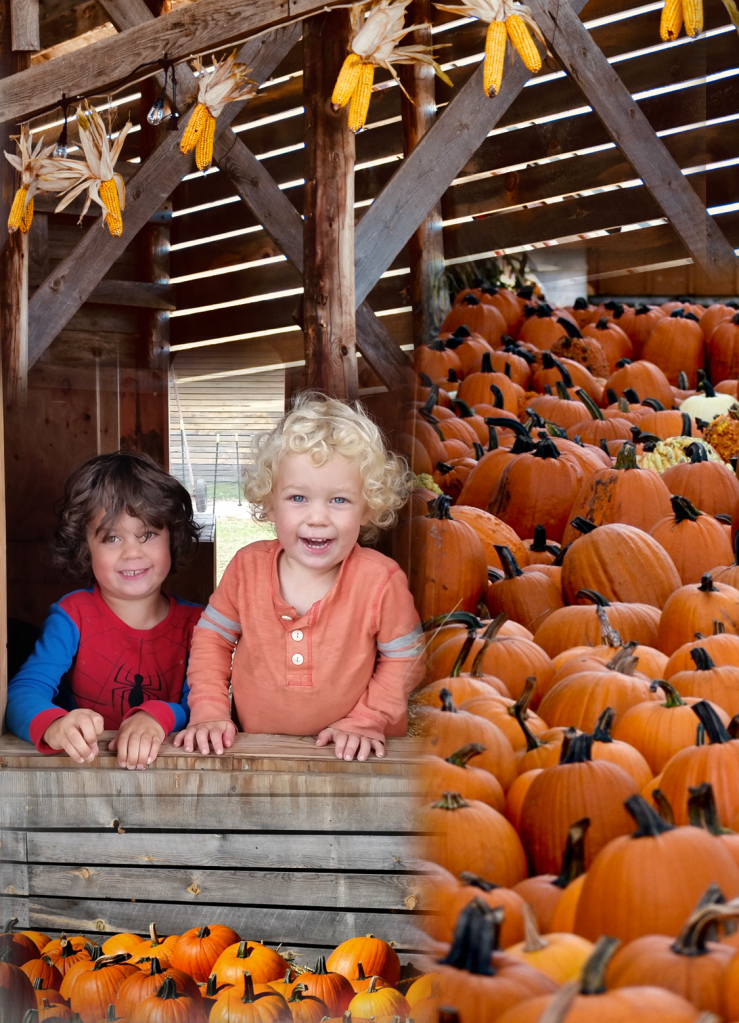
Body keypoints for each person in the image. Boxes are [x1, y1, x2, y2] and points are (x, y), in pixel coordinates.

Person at [175, 391, 423, 762]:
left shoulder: (379, 580)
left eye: (338, 500)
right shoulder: (247, 568)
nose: (317, 517)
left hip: (355, 754)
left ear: (367, 508)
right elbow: (212, 639)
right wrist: (210, 708)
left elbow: (407, 658)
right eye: (298, 498)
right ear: (270, 503)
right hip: (255, 752)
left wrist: (369, 718)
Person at [5, 451, 202, 770]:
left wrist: (156, 716)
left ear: (172, 538)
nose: (132, 553)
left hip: (173, 778)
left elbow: (205, 707)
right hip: (83, 776)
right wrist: (55, 725)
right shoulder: (71, 615)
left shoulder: (198, 623)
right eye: (111, 538)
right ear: (84, 548)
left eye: (148, 534)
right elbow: (20, 693)